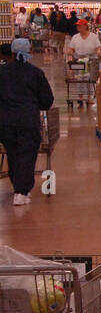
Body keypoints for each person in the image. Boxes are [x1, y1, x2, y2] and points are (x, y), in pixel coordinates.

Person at [0, 42, 54, 205]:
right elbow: (47, 101)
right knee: (27, 154)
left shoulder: (2, 72)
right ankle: (21, 191)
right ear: (29, 51)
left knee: (13, 153)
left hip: (5, 122)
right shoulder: (35, 73)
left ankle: (18, 186)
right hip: (28, 121)